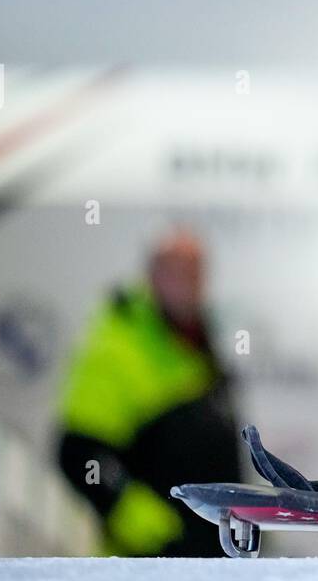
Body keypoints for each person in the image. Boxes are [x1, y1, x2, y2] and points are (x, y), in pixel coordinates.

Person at [57, 231, 240, 556]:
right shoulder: (116, 347)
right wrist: (153, 530)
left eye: (196, 274)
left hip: (210, 563)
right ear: (151, 275)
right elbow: (81, 454)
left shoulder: (198, 347)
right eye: (176, 272)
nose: (188, 285)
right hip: (146, 568)